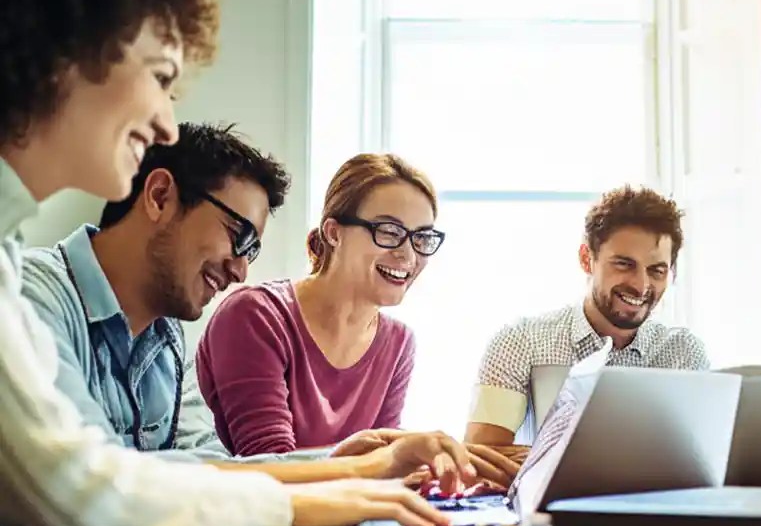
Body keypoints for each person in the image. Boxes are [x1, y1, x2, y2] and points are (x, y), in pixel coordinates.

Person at [0, 0, 456, 526]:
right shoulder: (33, 293)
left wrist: (347, 466)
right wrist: (316, 497)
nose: (166, 123)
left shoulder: (162, 337)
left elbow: (193, 473)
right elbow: (78, 492)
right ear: (64, 48)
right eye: (161, 76)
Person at [21, 121, 470, 487]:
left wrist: (378, 466)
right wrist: (365, 469)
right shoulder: (31, 296)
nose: (240, 271)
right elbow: (89, 481)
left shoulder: (165, 339)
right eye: (238, 236)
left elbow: (218, 468)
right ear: (159, 197)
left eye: (251, 250)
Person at [197, 153, 444, 459]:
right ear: (333, 232)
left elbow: (380, 463)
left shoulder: (399, 343)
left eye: (422, 238)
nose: (408, 256)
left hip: (352, 507)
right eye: (389, 232)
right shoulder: (256, 316)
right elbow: (268, 465)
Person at [463, 185, 710, 485]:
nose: (641, 285)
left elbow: (695, 469)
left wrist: (541, 459)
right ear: (586, 259)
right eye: (624, 264)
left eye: (657, 270)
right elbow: (479, 457)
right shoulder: (521, 341)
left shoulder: (684, 353)